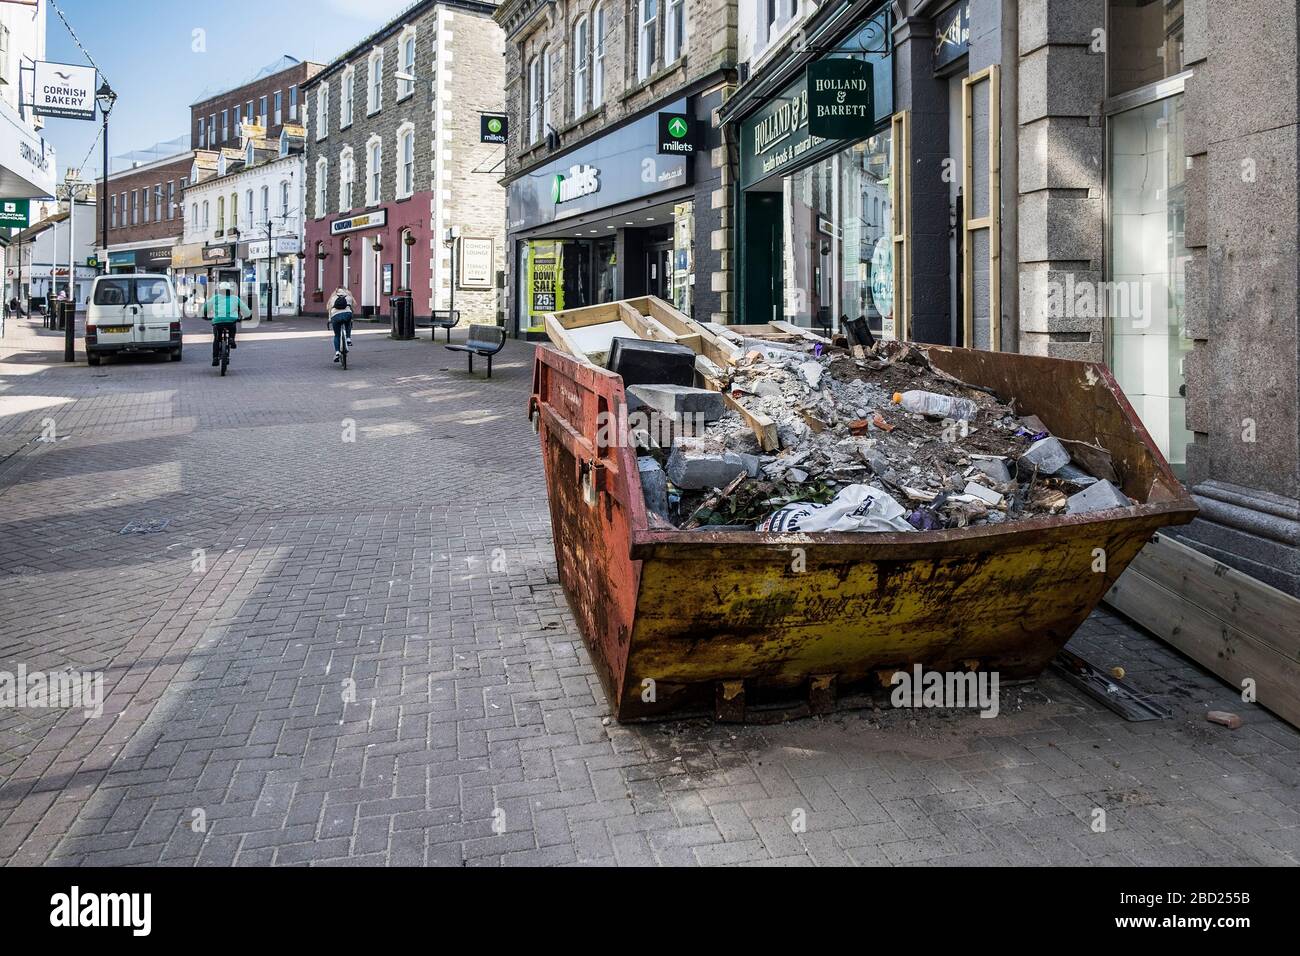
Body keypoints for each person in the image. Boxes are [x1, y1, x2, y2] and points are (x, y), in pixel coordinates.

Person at [203, 282, 251, 366]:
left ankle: (215, 358)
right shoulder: (235, 298)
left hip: (218, 321)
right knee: (233, 326)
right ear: (230, 290)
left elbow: (205, 308)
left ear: (220, 290)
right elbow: (246, 310)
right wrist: (247, 316)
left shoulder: (215, 298)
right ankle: (232, 338)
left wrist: (204, 315)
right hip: (231, 320)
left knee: (217, 339)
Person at [327, 286, 356, 363]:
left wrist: (329, 319)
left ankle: (337, 352)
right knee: (348, 323)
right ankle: (348, 338)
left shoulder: (333, 297)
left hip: (335, 316)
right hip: (347, 314)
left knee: (337, 335)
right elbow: (353, 307)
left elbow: (329, 308)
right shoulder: (349, 296)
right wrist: (351, 317)